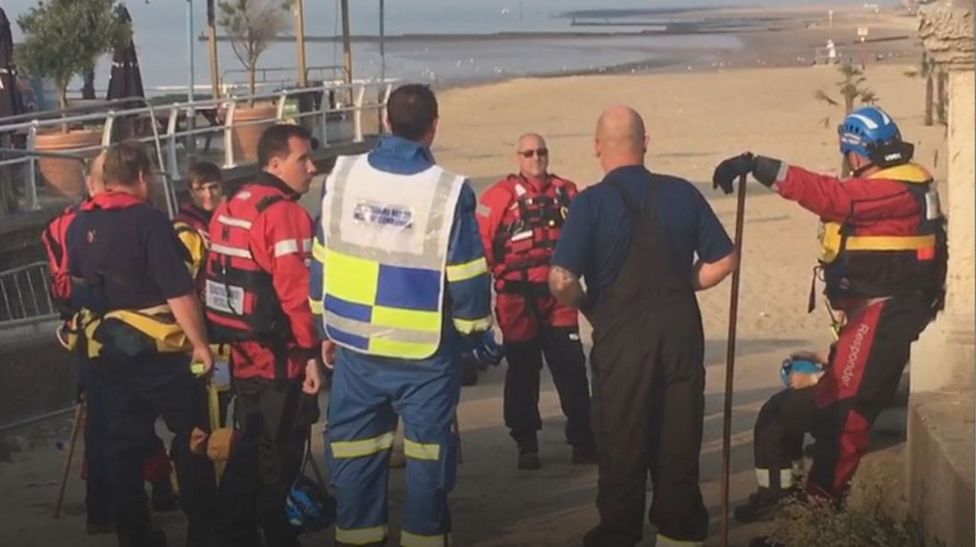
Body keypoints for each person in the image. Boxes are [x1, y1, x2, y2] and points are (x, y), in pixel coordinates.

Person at [713, 106, 947, 511]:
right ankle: (778, 497)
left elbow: (832, 197)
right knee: (777, 413)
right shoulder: (896, 183)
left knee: (843, 418)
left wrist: (760, 167)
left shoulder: (897, 189)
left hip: (884, 316)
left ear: (858, 153)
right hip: (863, 319)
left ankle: (815, 513)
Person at [310, 83, 492, 547]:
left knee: (354, 458)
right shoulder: (448, 192)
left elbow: (323, 257)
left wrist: (322, 325)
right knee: (428, 464)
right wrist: (472, 335)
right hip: (424, 352)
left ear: (385, 123)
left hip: (356, 347)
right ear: (433, 128)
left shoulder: (342, 178)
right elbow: (468, 276)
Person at [549, 105, 737, 547]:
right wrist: (685, 282)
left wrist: (589, 307)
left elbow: (560, 279)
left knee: (622, 440)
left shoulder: (591, 202)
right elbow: (724, 259)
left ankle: (619, 532)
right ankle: (680, 532)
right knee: (678, 437)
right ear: (646, 143)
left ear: (597, 148)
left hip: (621, 335)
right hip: (679, 331)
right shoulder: (682, 193)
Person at [65, 141, 217, 547]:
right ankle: (203, 528)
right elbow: (178, 292)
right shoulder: (148, 221)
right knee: (192, 435)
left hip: (106, 351)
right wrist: (201, 345)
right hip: (159, 351)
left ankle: (134, 534)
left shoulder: (79, 223)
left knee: (122, 447)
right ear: (143, 176)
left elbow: (78, 285)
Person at [203, 124, 323, 547]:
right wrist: (311, 353)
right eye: (302, 159)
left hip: (242, 352)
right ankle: (275, 533)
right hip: (280, 357)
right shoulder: (286, 214)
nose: (312, 167)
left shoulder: (231, 205)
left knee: (249, 444)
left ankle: (230, 530)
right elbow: (296, 293)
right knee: (280, 450)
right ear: (275, 163)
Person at [477, 133, 596, 469]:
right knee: (523, 370)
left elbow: (588, 237)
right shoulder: (498, 196)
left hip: (559, 294)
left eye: (541, 152)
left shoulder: (567, 192)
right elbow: (481, 246)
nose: (536, 158)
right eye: (528, 153)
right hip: (516, 297)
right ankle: (525, 443)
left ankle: (583, 439)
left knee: (571, 366)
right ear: (518, 157)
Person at [173, 161, 232, 424]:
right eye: (201, 189)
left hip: (228, 321)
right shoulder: (184, 230)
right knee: (206, 398)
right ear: (190, 192)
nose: (208, 195)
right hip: (200, 325)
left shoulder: (231, 218)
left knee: (227, 392)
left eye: (213, 187)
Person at [734, 352, 825, 523]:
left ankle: (777, 496)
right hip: (838, 384)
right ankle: (788, 488)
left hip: (840, 391)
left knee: (773, 421)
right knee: (778, 412)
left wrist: (815, 375)